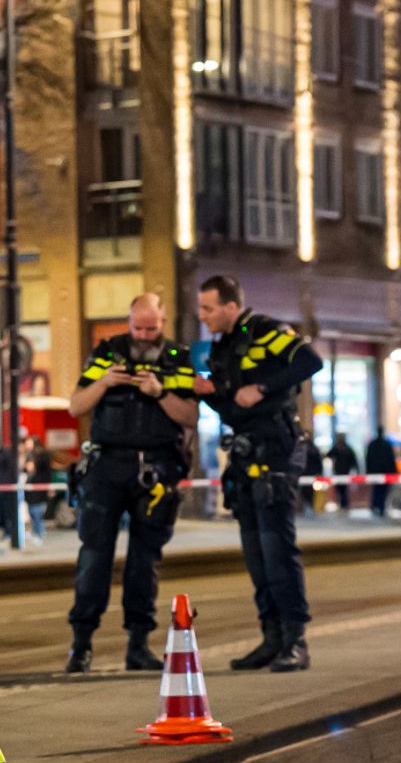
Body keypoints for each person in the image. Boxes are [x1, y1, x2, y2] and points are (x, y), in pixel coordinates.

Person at [194, 275, 322, 673]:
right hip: (245, 452)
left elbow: (310, 361)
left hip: (275, 450)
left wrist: (263, 389)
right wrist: (210, 395)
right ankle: (271, 638)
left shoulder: (265, 331)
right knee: (255, 552)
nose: (204, 317)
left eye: (209, 308)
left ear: (231, 307)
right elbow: (234, 407)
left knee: (276, 547)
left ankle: (295, 640)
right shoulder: (222, 347)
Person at [65, 293, 198, 673]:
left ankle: (138, 645)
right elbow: (76, 406)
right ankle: (81, 645)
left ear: (163, 322)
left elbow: (190, 416)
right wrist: (104, 382)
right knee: (94, 556)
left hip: (155, 470)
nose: (143, 335)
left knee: (145, 560)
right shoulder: (107, 353)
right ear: (129, 321)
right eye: (137, 327)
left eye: (151, 328)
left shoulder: (177, 359)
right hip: (107, 467)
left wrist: (160, 393)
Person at [24, 435, 52, 545]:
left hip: (37, 486)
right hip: (35, 486)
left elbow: (31, 468)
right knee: (34, 510)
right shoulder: (37, 454)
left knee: (36, 511)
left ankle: (38, 533)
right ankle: (36, 531)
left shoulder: (38, 454)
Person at [365, 426, 397, 517]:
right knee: (382, 490)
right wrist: (393, 471)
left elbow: (368, 459)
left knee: (377, 489)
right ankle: (380, 507)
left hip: (376, 472)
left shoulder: (373, 444)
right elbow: (391, 459)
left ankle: (376, 506)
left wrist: (368, 471)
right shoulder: (386, 444)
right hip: (384, 472)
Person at [330, 431, 359, 511]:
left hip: (345, 472)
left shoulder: (348, 449)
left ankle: (344, 504)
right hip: (338, 472)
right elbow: (329, 454)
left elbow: (354, 461)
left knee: (344, 489)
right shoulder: (336, 448)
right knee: (339, 489)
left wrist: (356, 471)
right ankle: (341, 504)